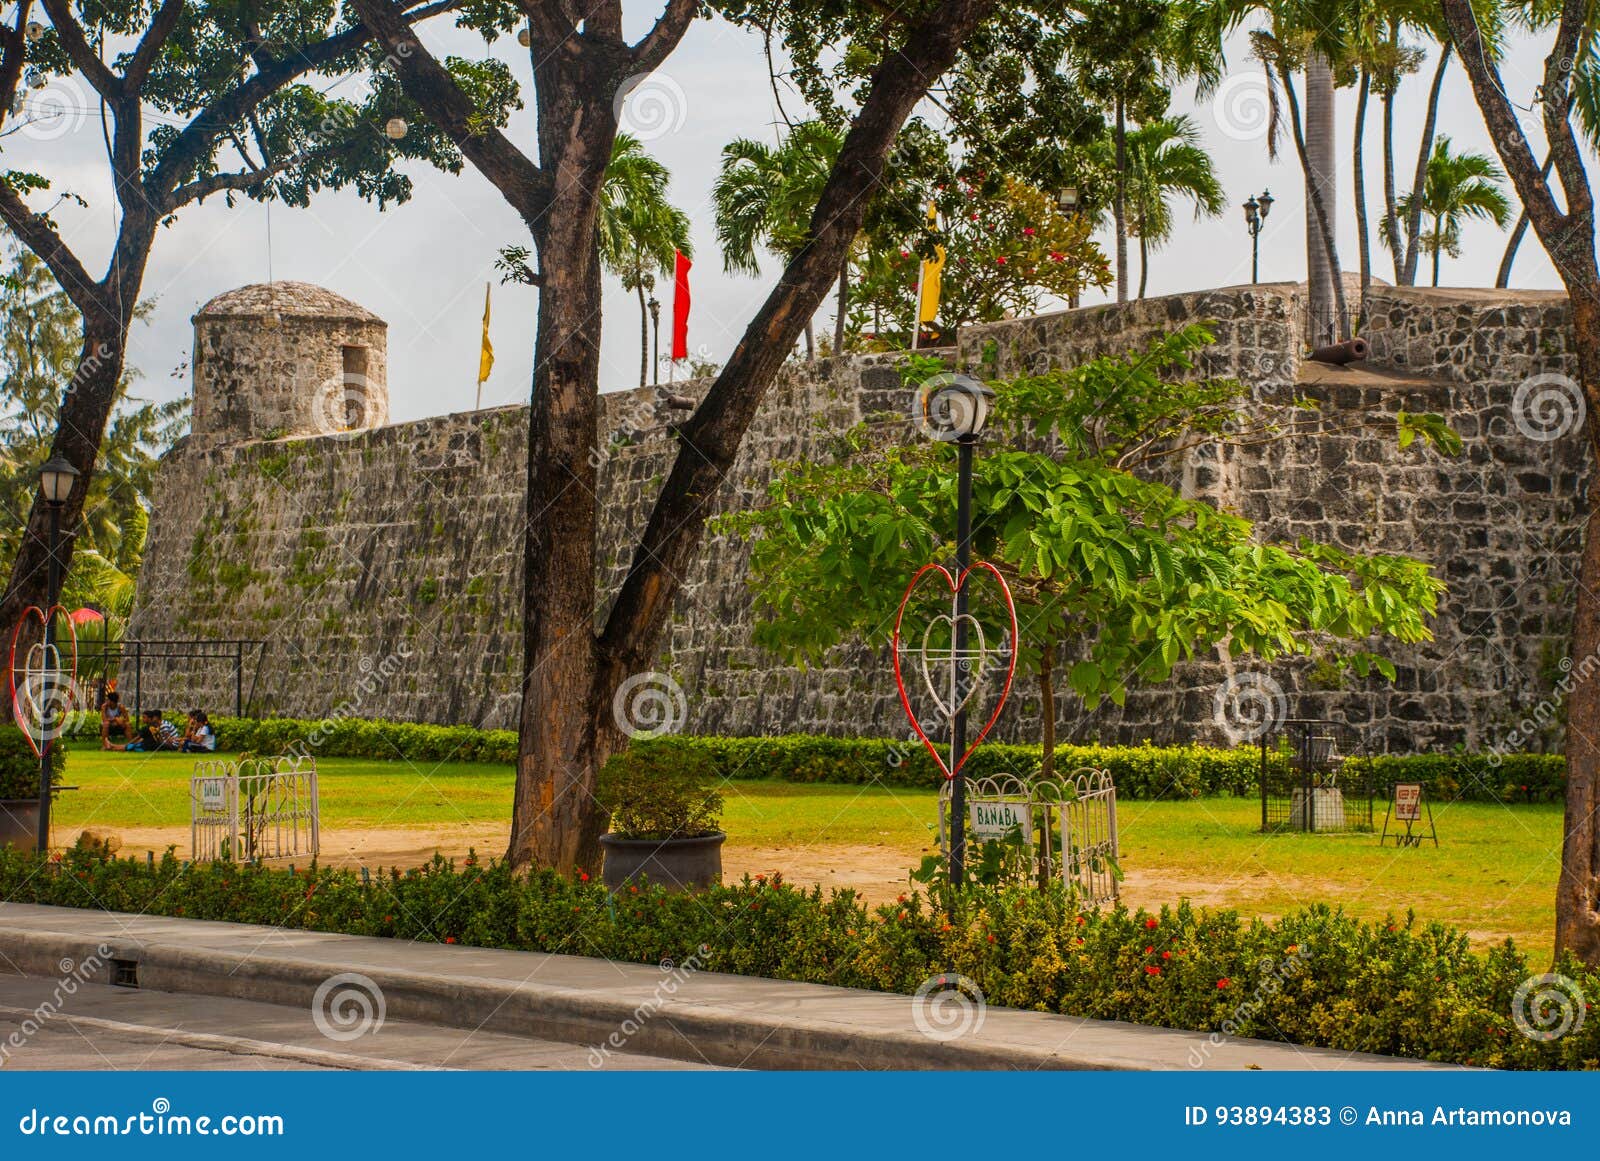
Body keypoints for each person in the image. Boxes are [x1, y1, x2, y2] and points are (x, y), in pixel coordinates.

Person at [111, 709, 180, 753]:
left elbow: (138, 738)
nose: (142, 719)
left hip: (149, 747)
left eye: (144, 717)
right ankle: (113, 746)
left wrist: (128, 744)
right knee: (133, 745)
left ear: (151, 718)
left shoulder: (148, 728)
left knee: (131, 747)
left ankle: (112, 747)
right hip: (155, 746)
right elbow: (158, 739)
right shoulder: (155, 726)